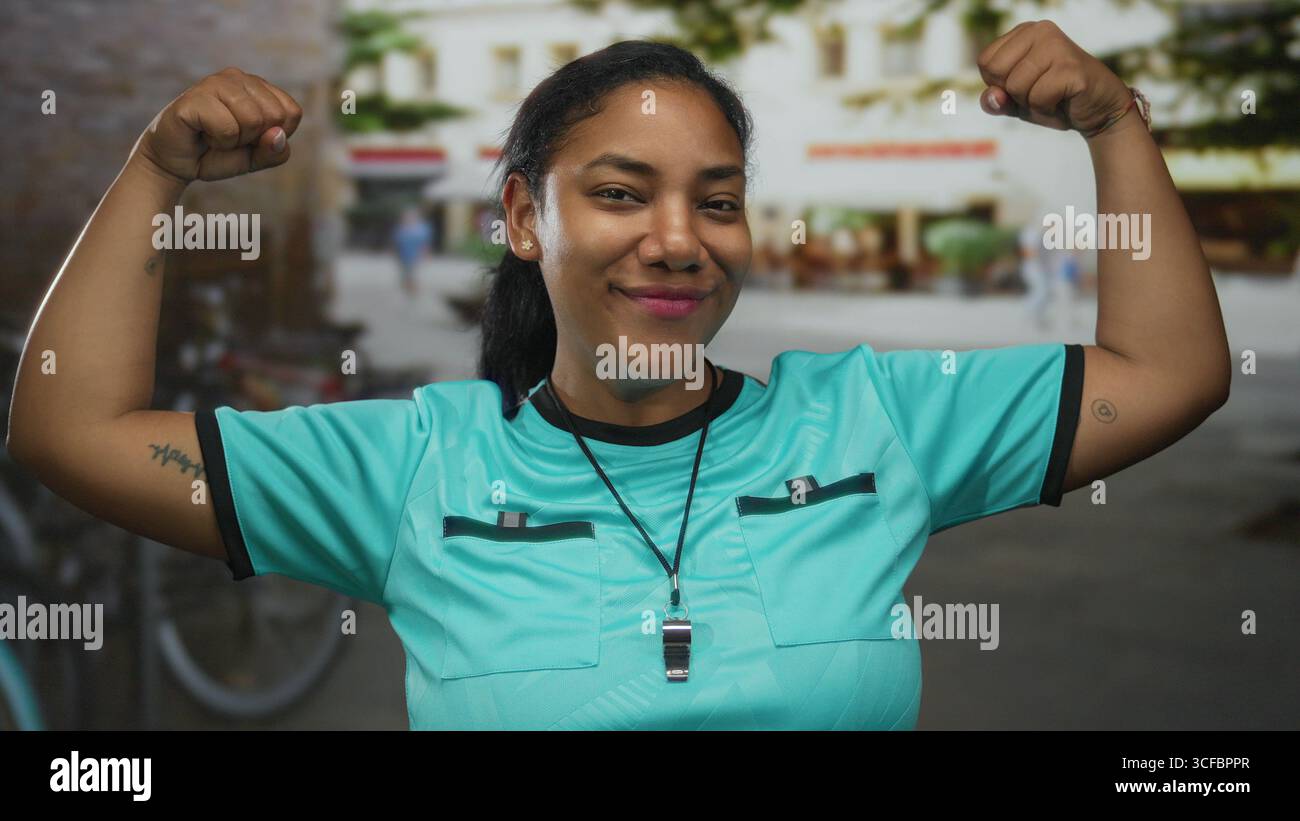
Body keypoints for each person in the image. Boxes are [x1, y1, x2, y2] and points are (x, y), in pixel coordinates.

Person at [7, 27, 1231, 730]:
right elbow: (70, 424)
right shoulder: (411, 467)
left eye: (718, 199)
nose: (678, 237)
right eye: (617, 192)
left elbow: (1172, 370)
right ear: (524, 221)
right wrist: (152, 173)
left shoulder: (876, 420)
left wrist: (1115, 122)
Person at [392, 206, 432, 297]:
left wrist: (425, 253)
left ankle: (412, 287)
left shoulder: (421, 228)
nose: (409, 218)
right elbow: (396, 241)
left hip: (415, 254)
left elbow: (425, 242)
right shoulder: (402, 228)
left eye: (411, 216)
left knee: (412, 270)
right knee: (405, 270)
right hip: (403, 254)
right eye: (407, 216)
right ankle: (408, 286)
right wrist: (395, 252)